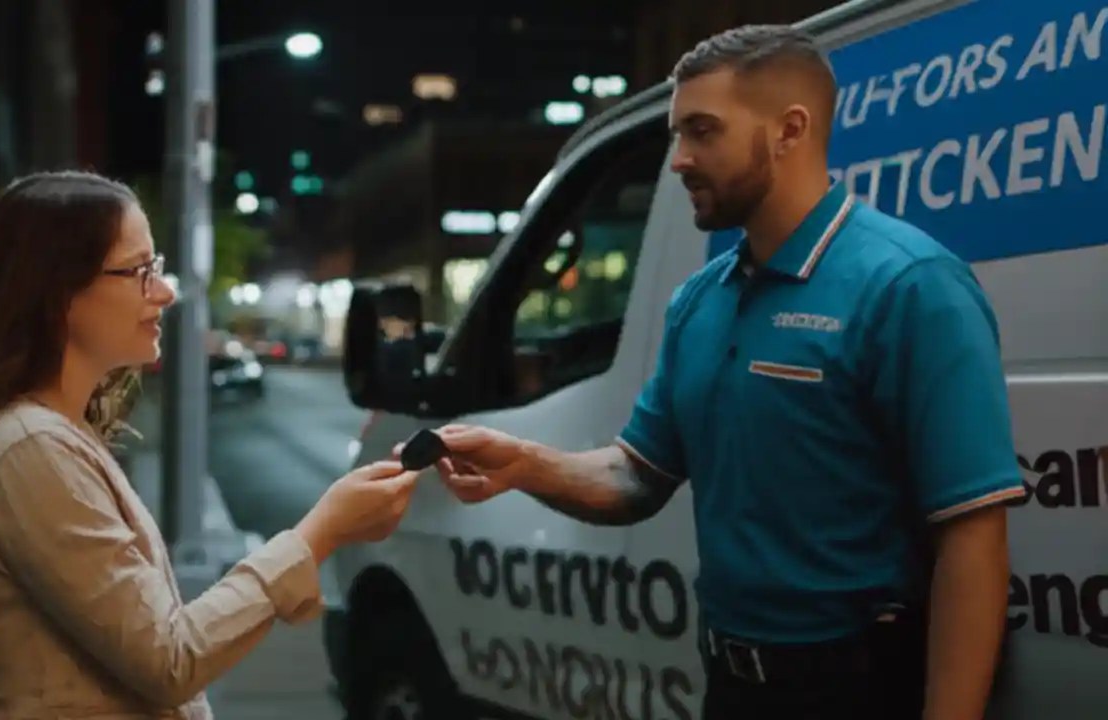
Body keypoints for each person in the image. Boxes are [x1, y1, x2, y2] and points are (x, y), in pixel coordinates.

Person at [406, 25, 1024, 720]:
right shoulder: (700, 299)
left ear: (790, 130)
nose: (678, 160)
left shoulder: (910, 285)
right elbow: (637, 477)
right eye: (676, 134)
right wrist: (521, 463)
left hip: (860, 686)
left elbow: (972, 537)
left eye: (701, 131)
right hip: (731, 684)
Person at [0, 170, 419, 719]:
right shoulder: (27, 450)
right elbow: (171, 660)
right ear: (56, 294)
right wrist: (324, 530)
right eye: (138, 271)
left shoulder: (46, 436)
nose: (165, 292)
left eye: (157, 267)